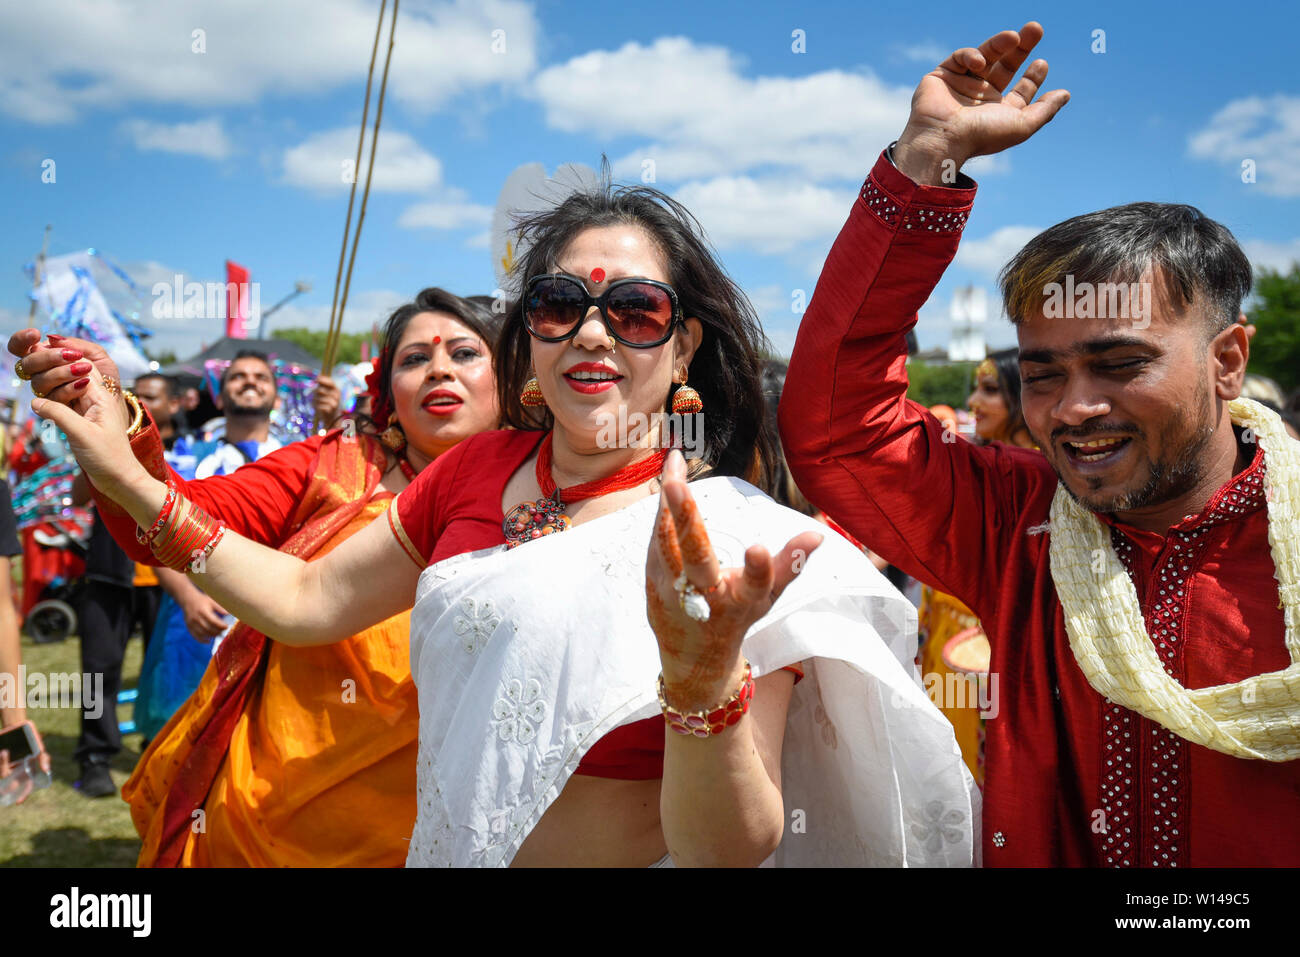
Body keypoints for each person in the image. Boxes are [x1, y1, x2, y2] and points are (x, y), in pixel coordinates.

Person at [20, 180, 978, 867]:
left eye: (636, 310)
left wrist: (702, 688)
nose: (594, 332)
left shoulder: (732, 544)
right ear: (531, 336)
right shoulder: (475, 471)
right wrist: (127, 477)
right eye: (562, 304)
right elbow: (308, 599)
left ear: (682, 341)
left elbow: (727, 846)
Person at [781, 22, 1300, 866]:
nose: (1073, 409)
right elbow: (836, 427)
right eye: (1043, 373)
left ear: (1227, 361)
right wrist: (927, 164)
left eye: (1120, 362)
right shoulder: (1016, 523)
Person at [10, 288, 503, 866]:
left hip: (479, 797)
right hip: (292, 799)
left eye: (465, 353)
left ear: (514, 374)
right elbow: (173, 514)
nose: (438, 368)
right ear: (386, 390)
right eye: (414, 359)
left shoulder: (553, 484)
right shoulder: (330, 467)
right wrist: (116, 421)